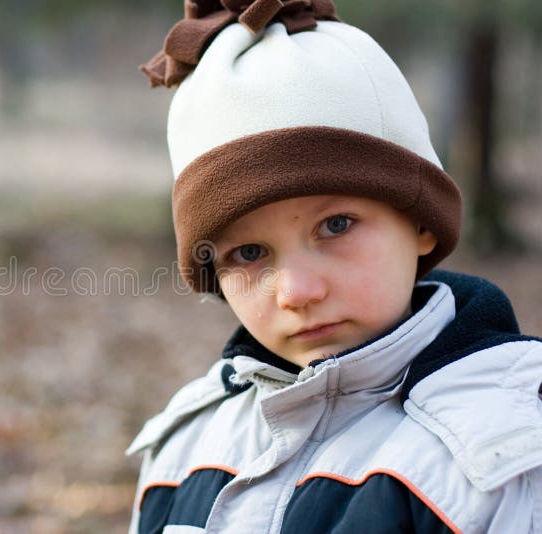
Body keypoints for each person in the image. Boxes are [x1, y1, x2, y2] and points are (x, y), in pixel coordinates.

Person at [126, 1, 542, 533]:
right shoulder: (184, 450)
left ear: (421, 222)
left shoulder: (503, 459)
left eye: (336, 226)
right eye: (249, 253)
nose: (296, 291)